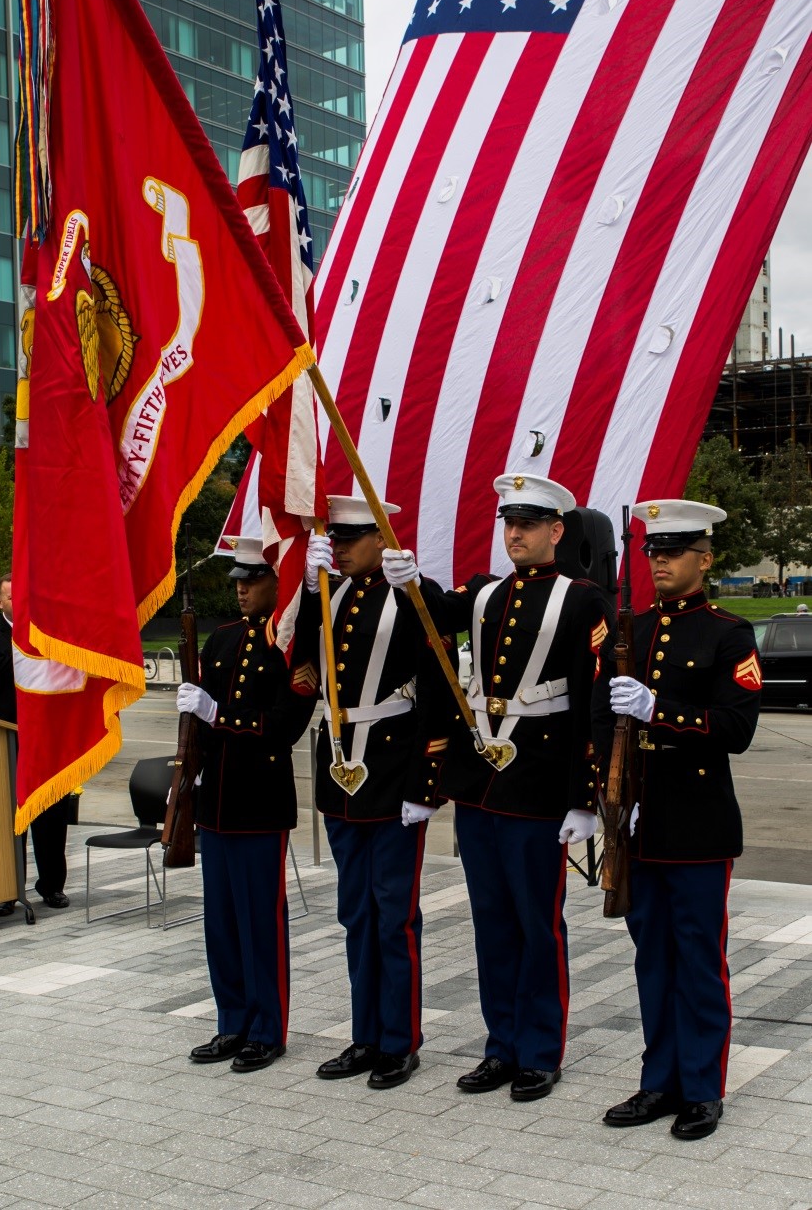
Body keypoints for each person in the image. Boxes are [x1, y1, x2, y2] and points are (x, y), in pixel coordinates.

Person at [382, 473, 613, 1102]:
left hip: (539, 785)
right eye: (509, 523)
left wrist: (584, 797)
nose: (515, 534)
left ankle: (539, 1051)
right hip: (481, 783)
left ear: (556, 531)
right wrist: (410, 582)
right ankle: (501, 1045)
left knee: (538, 924)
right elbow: (435, 615)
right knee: (491, 923)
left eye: (529, 524)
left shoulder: (583, 601)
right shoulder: (485, 592)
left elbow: (591, 704)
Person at [593, 499, 760, 1141]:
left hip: (697, 823)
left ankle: (702, 1087)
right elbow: (602, 721)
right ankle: (658, 1080)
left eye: (673, 552)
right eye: (653, 552)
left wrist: (657, 708)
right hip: (639, 823)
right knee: (653, 960)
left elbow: (736, 730)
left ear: (705, 559)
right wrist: (605, 798)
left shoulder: (728, 634)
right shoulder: (630, 629)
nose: (659, 562)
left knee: (698, 960)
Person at [297, 496, 452, 1090]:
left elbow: (437, 683)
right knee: (356, 914)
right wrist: (308, 590)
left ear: (381, 539)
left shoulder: (408, 594)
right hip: (342, 773)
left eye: (350, 539)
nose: (338, 548)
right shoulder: (330, 594)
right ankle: (365, 1035)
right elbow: (303, 663)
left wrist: (425, 785)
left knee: (394, 916)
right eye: (334, 539)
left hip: (391, 774)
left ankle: (399, 1040)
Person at [179, 540, 314, 1074]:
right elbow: (200, 726)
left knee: (261, 923)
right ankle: (231, 1021)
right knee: (222, 923)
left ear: (278, 581)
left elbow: (285, 725)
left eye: (252, 579)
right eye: (237, 579)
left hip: (260, 800)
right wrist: (186, 770)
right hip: (216, 802)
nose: (240, 588)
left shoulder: (293, 643)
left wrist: (218, 715)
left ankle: (266, 1029)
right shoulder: (222, 637)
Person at [0, 574, 71, 911]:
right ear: (0, 602)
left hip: (44, 736)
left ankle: (52, 886)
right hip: (2, 736)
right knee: (8, 819)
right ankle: (6, 890)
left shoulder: (48, 630)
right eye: (11, 597)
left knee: (50, 814)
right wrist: (23, 648)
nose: (19, 601)